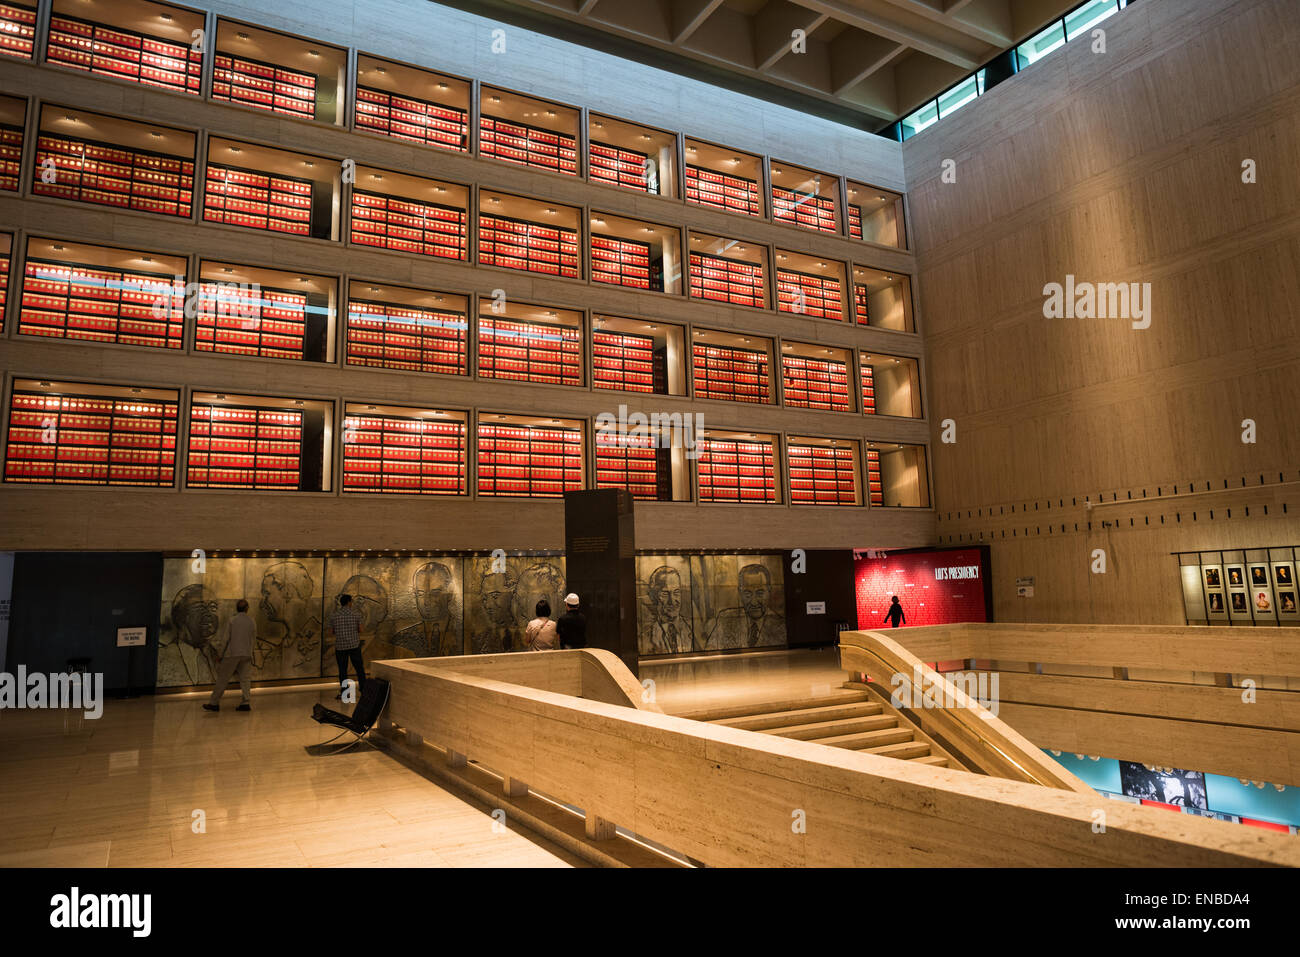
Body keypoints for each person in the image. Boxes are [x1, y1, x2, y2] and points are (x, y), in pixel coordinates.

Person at [704, 564, 785, 650]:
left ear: (769, 591)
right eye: (747, 594)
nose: (754, 602)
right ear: (740, 593)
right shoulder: (725, 620)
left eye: (760, 593)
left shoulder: (781, 627)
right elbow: (710, 651)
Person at [203, 599, 256, 712]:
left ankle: (214, 703)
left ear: (237, 608)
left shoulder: (232, 620)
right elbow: (253, 639)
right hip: (246, 654)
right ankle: (246, 702)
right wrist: (251, 653)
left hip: (232, 653)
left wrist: (220, 654)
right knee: (245, 679)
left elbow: (226, 639)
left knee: (223, 678)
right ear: (247, 608)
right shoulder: (252, 621)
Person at [328, 593, 365, 699]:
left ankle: (345, 693)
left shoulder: (334, 616)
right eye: (351, 601)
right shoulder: (356, 615)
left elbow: (331, 632)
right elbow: (361, 630)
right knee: (359, 669)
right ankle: (363, 690)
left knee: (342, 670)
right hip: (354, 646)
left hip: (340, 647)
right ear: (349, 602)